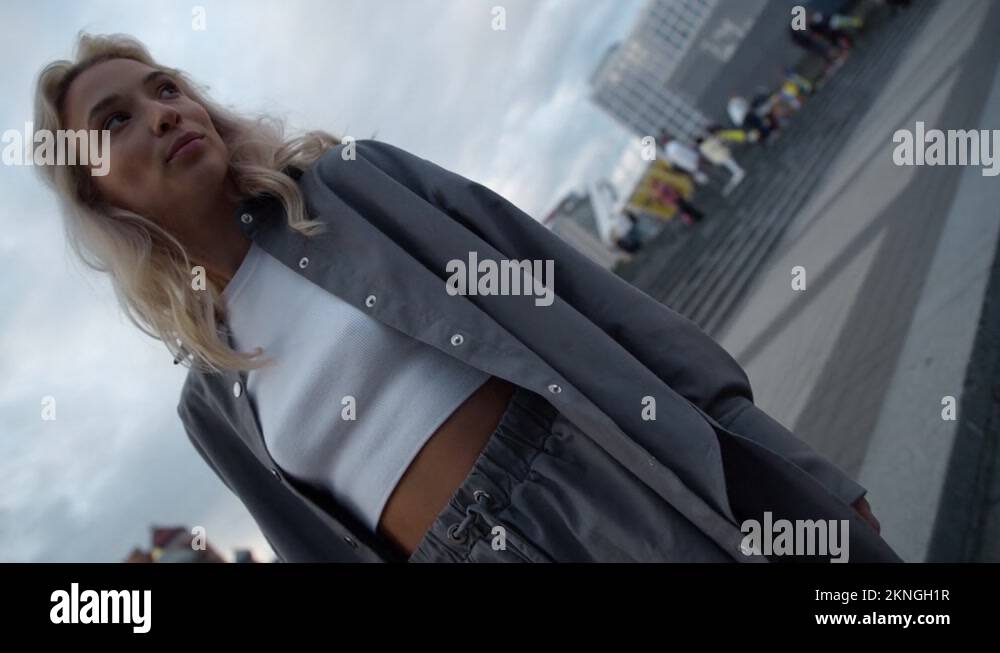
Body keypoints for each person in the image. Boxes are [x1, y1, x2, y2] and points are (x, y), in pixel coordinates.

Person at [33, 31, 899, 563]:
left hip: (603, 481)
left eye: (167, 87)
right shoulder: (209, 404)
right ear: (98, 195)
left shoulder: (356, 183)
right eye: (115, 120)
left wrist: (785, 463)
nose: (163, 112)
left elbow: (592, 301)